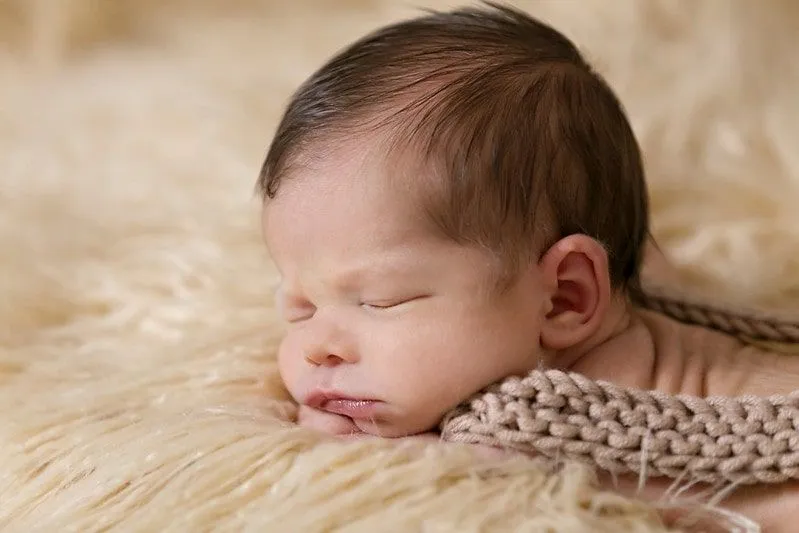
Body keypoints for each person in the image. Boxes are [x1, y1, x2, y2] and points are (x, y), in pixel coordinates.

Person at [257, 3, 799, 529]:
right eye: (299, 306)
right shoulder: (593, 314)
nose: (317, 346)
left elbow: (432, 483)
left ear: (566, 297)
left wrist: (372, 451)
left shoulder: (522, 438)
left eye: (382, 300)